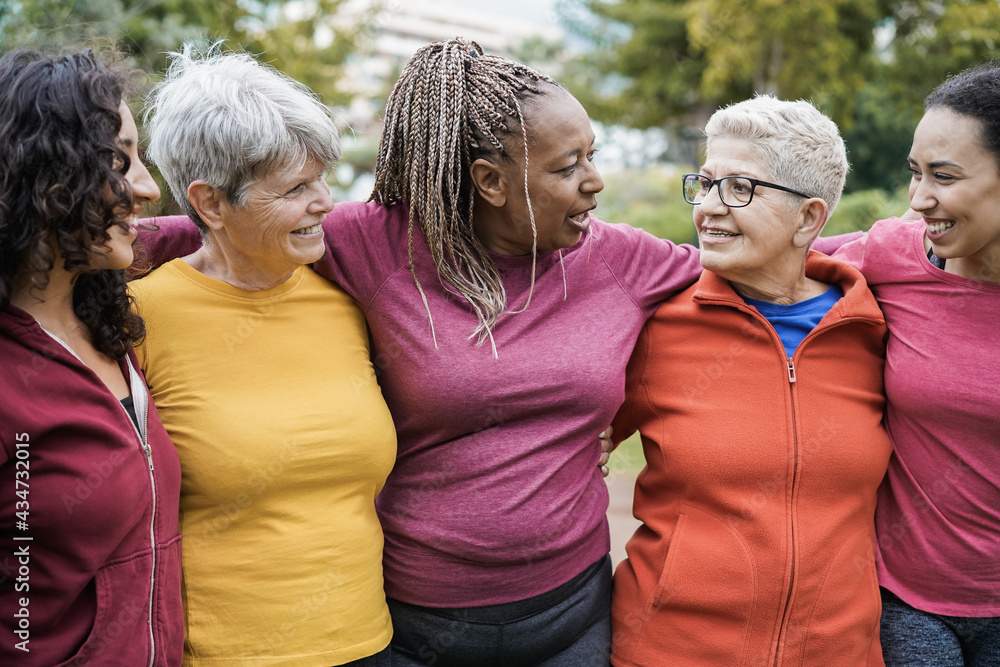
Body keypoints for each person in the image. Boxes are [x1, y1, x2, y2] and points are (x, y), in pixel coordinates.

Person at [143, 39, 851, 665]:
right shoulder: (376, 243)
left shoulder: (621, 259)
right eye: (568, 166)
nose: (594, 182)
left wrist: (911, 249)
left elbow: (750, 258)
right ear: (490, 181)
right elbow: (225, 228)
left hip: (573, 619)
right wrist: (78, 242)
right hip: (415, 626)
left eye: (593, 157)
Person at [134, 46, 397, 666]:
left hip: (371, 643)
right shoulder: (140, 319)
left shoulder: (348, 304)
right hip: (220, 654)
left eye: (322, 178)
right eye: (296, 188)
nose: (325, 201)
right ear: (211, 204)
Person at [609, 95, 893, 666]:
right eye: (705, 182)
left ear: (810, 218)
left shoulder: (878, 331)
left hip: (841, 654)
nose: (709, 208)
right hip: (670, 652)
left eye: (739, 188)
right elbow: (562, 443)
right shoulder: (654, 326)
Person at [0, 50, 182, 665]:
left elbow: (222, 227)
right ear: (43, 178)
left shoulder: (106, 320)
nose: (148, 188)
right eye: (117, 159)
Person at [832, 64, 1000, 666]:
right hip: (909, 597)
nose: (917, 199)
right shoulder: (893, 254)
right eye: (915, 172)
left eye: (944, 177)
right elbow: (768, 265)